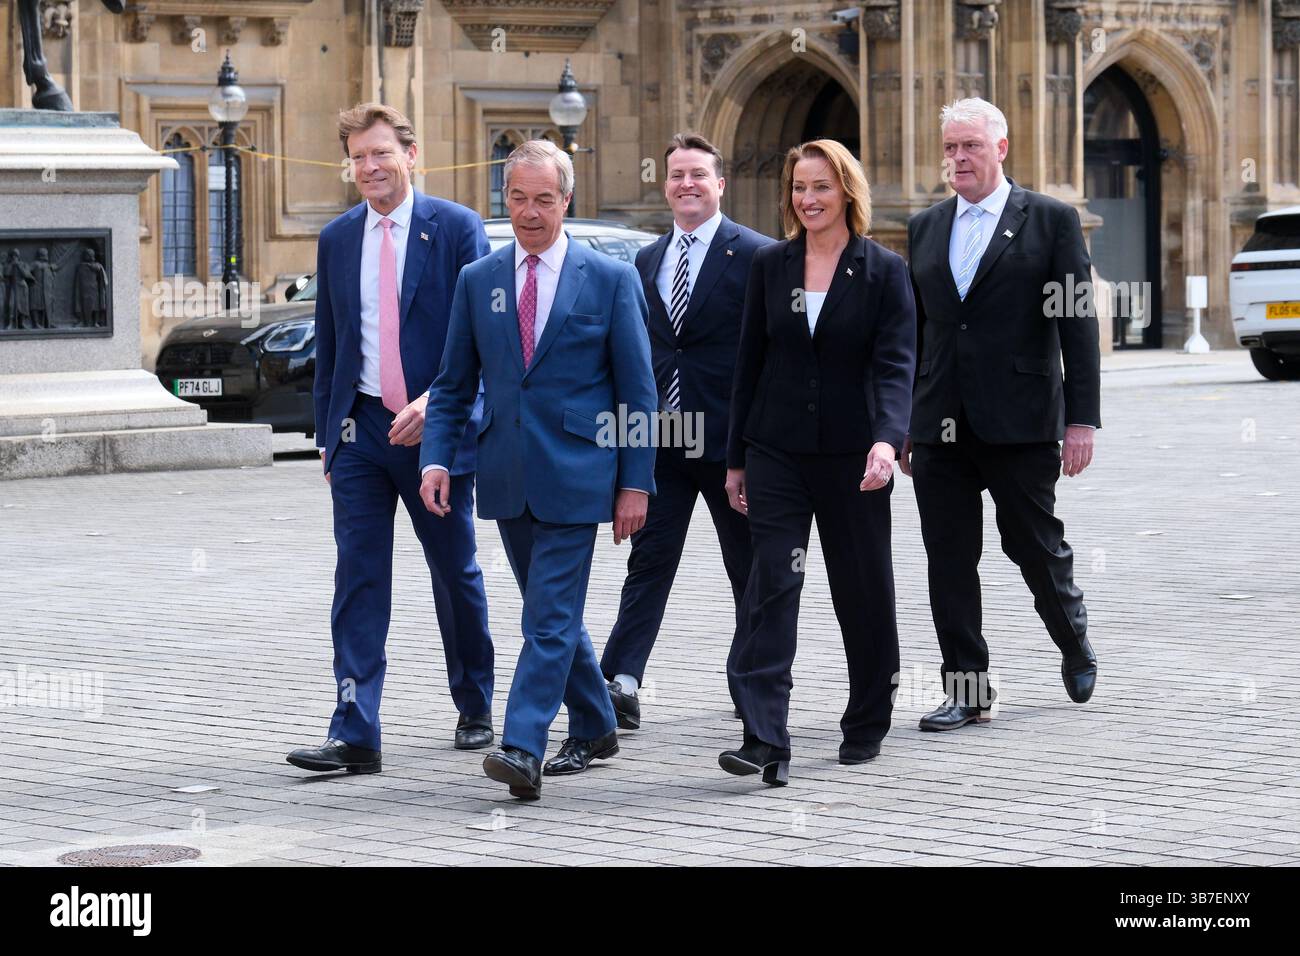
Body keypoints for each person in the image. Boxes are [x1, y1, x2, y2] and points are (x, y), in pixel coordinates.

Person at [420, 140, 658, 801]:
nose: (529, 213)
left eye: (543, 200)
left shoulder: (609, 280)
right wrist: (437, 457)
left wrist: (636, 482)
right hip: (505, 473)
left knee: (547, 618)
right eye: (518, 199)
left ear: (567, 200)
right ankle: (596, 721)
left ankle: (522, 745)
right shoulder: (480, 280)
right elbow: (451, 384)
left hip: (582, 475)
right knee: (552, 614)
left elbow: (638, 394)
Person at [286, 103, 496, 776]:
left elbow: (485, 342)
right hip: (360, 432)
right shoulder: (338, 238)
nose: (369, 167)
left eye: (381, 153)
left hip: (437, 428)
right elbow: (332, 339)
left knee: (453, 568)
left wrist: (440, 406)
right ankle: (355, 730)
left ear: (411, 155)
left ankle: (474, 703)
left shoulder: (458, 229)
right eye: (358, 156)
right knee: (359, 577)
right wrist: (328, 436)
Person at [900, 97, 1101, 732]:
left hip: (1021, 419)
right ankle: (968, 689)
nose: (959, 157)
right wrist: (903, 423)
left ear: (1001, 149)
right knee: (949, 559)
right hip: (939, 423)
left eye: (971, 146)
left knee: (1032, 546)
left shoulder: (1049, 220)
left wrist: (1081, 421)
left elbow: (1078, 323)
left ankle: (1073, 642)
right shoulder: (926, 227)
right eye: (951, 147)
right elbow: (919, 331)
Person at [722, 139, 916, 785]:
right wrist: (735, 459)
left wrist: (888, 442)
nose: (808, 199)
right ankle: (763, 736)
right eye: (800, 187)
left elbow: (895, 367)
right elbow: (748, 363)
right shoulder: (770, 265)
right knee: (770, 585)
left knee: (861, 589)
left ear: (847, 193)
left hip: (854, 454)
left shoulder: (884, 270)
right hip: (775, 449)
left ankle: (867, 718)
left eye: (821, 187)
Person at [600, 132, 773, 730]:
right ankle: (620, 681)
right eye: (676, 175)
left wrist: (753, 447)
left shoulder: (756, 255)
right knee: (649, 561)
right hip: (666, 442)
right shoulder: (647, 260)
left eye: (698, 174)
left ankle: (750, 677)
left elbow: (769, 358)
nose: (686, 184)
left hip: (731, 445)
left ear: (720, 184)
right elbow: (640, 353)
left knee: (749, 566)